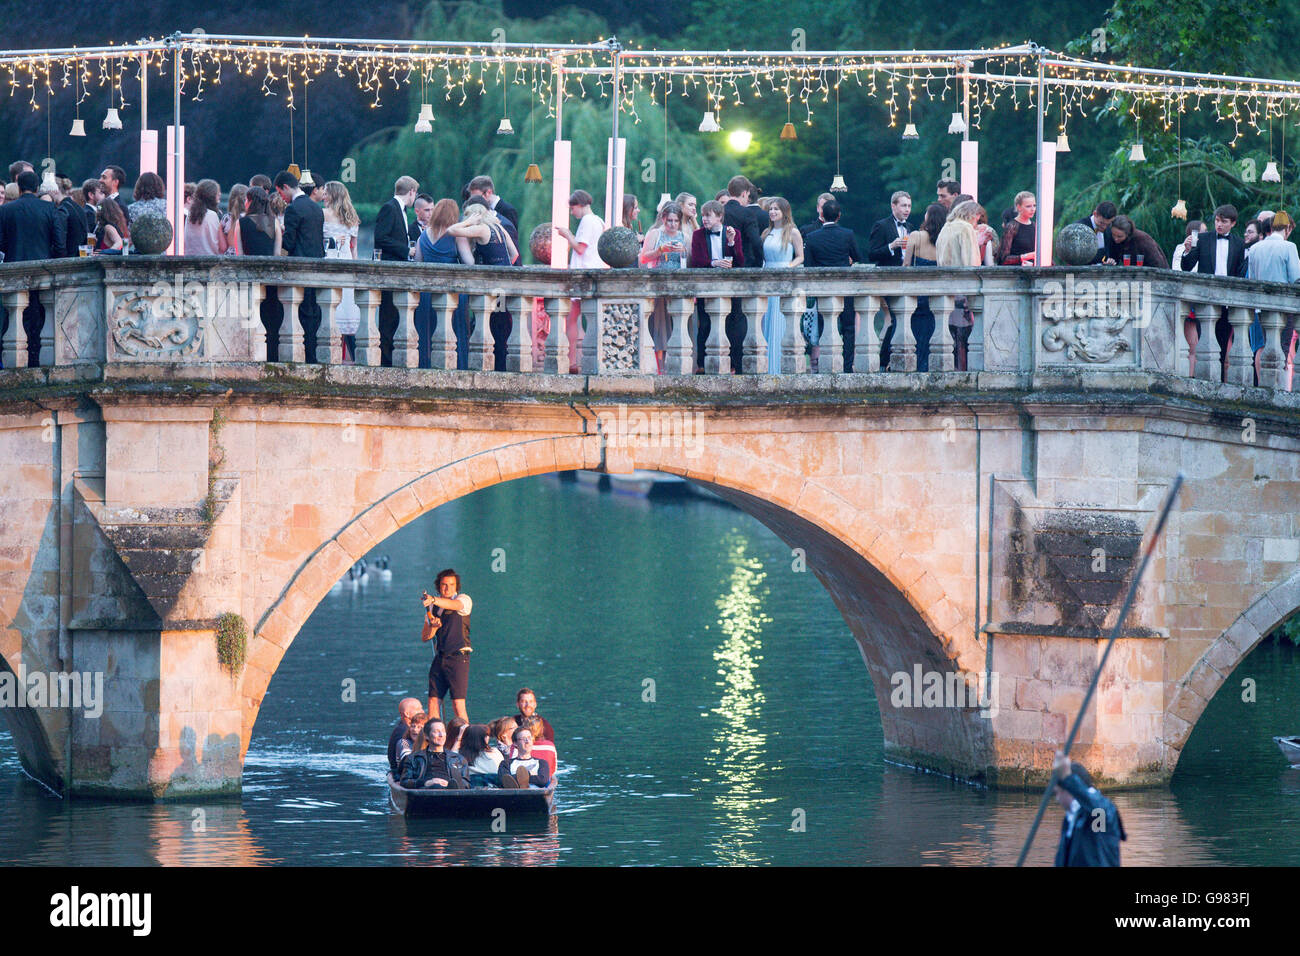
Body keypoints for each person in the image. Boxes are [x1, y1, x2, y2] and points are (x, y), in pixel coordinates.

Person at [0, 170, 64, 367]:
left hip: (14, 271)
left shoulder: (6, 210)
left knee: (14, 317)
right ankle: (37, 359)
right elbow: (60, 244)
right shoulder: (49, 209)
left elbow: (1, 243)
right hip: (43, 272)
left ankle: (15, 362)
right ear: (37, 189)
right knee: (41, 318)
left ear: (18, 188)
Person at [449, 197, 519, 370]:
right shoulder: (499, 227)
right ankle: (502, 366)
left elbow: (452, 230)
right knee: (501, 324)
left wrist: (469, 222)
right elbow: (514, 254)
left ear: (475, 216)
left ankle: (494, 366)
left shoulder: (482, 229)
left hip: (492, 287)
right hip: (504, 285)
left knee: (491, 324)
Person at [1181, 204, 1245, 380]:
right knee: (1204, 342)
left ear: (1233, 223)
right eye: (1217, 220)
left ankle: (1219, 382)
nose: (1219, 225)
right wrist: (1187, 252)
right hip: (1206, 299)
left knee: (1223, 342)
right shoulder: (1203, 239)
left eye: (1223, 222)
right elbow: (1186, 267)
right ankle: (1203, 380)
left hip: (1227, 301)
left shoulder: (1239, 244)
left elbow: (1240, 273)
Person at [804, 198, 862, 371]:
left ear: (822, 214)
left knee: (824, 326)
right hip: (845, 288)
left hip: (823, 290)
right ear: (839, 216)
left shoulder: (812, 237)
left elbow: (808, 266)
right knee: (849, 327)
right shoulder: (848, 234)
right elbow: (858, 256)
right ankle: (846, 366)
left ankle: (826, 365)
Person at [417, 197, 475, 369]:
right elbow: (469, 263)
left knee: (427, 332)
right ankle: (456, 367)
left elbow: (417, 262)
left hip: (426, 292)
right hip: (452, 292)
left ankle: (425, 367)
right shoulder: (457, 236)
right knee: (455, 332)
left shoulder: (423, 235)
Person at [1245, 210, 1300, 388]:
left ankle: (1265, 385)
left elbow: (1252, 279)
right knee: (1282, 350)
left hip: (1261, 308)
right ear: (1286, 228)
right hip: (1284, 308)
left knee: (1266, 347)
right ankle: (1279, 388)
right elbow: (1296, 278)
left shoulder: (1255, 248)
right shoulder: (1289, 247)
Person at [275, 169, 327, 360]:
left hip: (300, 268)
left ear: (286, 187)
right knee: (314, 313)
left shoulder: (293, 209)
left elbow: (289, 243)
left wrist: (278, 236)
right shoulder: (316, 207)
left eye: (281, 193)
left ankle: (303, 356)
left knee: (301, 313)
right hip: (317, 267)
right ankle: (314, 356)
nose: (282, 198)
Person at [688, 199, 743, 373]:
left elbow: (740, 262)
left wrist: (732, 243)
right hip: (706, 286)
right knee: (704, 325)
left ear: (719, 216)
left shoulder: (734, 233)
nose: (704, 219)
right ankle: (702, 365)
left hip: (730, 287)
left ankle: (733, 364)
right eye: (703, 215)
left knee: (731, 325)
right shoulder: (698, 235)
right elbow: (697, 261)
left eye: (708, 216)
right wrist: (714, 263)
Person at [555, 189, 607, 373]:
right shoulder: (599, 220)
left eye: (572, 208)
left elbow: (580, 248)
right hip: (594, 271)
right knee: (591, 319)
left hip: (583, 275)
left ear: (580, 205)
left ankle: (572, 362)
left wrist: (566, 234)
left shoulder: (587, 221)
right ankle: (590, 360)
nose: (572, 212)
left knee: (572, 320)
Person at [372, 175, 419, 366]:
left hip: (398, 270)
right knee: (388, 315)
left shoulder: (399, 209)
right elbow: (380, 238)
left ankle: (390, 357)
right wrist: (407, 250)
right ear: (411, 192)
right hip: (390, 271)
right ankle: (386, 359)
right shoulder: (390, 208)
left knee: (394, 315)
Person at [722, 176, 766, 373]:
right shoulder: (747, 215)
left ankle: (724, 362)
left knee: (721, 315)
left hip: (720, 269)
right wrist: (758, 265)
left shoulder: (719, 212)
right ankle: (738, 364)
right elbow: (756, 243)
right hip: (743, 268)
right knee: (739, 317)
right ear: (745, 194)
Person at [1053, 751, 1126, 866]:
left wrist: (1068, 778)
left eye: (1057, 793)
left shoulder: (1099, 817)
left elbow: (1099, 810)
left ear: (1069, 791)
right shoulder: (1070, 818)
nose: (1057, 799)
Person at [640, 200, 689, 372]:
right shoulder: (655, 234)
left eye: (676, 221)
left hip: (678, 286)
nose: (673, 225)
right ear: (663, 219)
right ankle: (658, 367)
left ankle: (674, 366)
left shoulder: (684, 237)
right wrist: (660, 250)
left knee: (676, 327)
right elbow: (643, 258)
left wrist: (683, 252)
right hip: (658, 284)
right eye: (670, 221)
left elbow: (690, 262)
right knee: (658, 327)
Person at [421, 568, 473, 722]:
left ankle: (466, 741)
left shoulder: (464, 600)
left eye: (451, 585)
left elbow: (454, 605)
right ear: (439, 587)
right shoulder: (432, 608)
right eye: (444, 585)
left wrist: (433, 600)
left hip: (459, 658)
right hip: (440, 658)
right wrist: (434, 626)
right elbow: (425, 637)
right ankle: (434, 739)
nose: (448, 588)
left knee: (458, 704)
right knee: (432, 701)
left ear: (456, 586)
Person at [761, 196, 804, 373]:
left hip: (784, 277)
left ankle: (779, 367)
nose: (772, 212)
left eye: (776, 209)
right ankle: (766, 367)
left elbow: (800, 256)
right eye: (770, 209)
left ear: (784, 212)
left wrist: (789, 267)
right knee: (765, 322)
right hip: (767, 278)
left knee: (780, 321)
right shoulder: (765, 233)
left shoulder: (792, 232)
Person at [322, 181, 361, 362]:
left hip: (330, 259)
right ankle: (350, 355)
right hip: (347, 262)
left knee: (330, 305)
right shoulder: (352, 217)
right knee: (346, 307)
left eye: (326, 193)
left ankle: (332, 353)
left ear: (333, 195)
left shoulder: (323, 214)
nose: (323, 196)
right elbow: (354, 249)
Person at [399, 719, 469, 789]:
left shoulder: (458, 759)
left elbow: (466, 783)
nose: (441, 735)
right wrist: (426, 782)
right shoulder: (413, 758)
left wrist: (448, 784)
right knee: (436, 786)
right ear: (427, 736)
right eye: (436, 732)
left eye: (443, 731)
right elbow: (405, 782)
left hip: (451, 793)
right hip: (425, 793)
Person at [998, 191, 1037, 265]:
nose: (1033, 209)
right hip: (1016, 273)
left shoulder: (1035, 226)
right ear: (1018, 207)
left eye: (1034, 205)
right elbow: (1002, 259)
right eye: (1028, 206)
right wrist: (1024, 257)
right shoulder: (1011, 227)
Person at [387, 697, 424, 774]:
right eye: (418, 709)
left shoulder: (403, 727)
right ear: (407, 714)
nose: (422, 712)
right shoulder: (403, 731)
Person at [98, 165, 128, 240]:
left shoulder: (120, 206)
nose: (100, 180)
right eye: (101, 177)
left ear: (115, 182)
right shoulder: (101, 203)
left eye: (104, 177)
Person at [220, 183, 247, 256]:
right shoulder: (249, 218)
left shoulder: (226, 218)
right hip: (246, 258)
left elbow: (223, 247)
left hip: (229, 258)